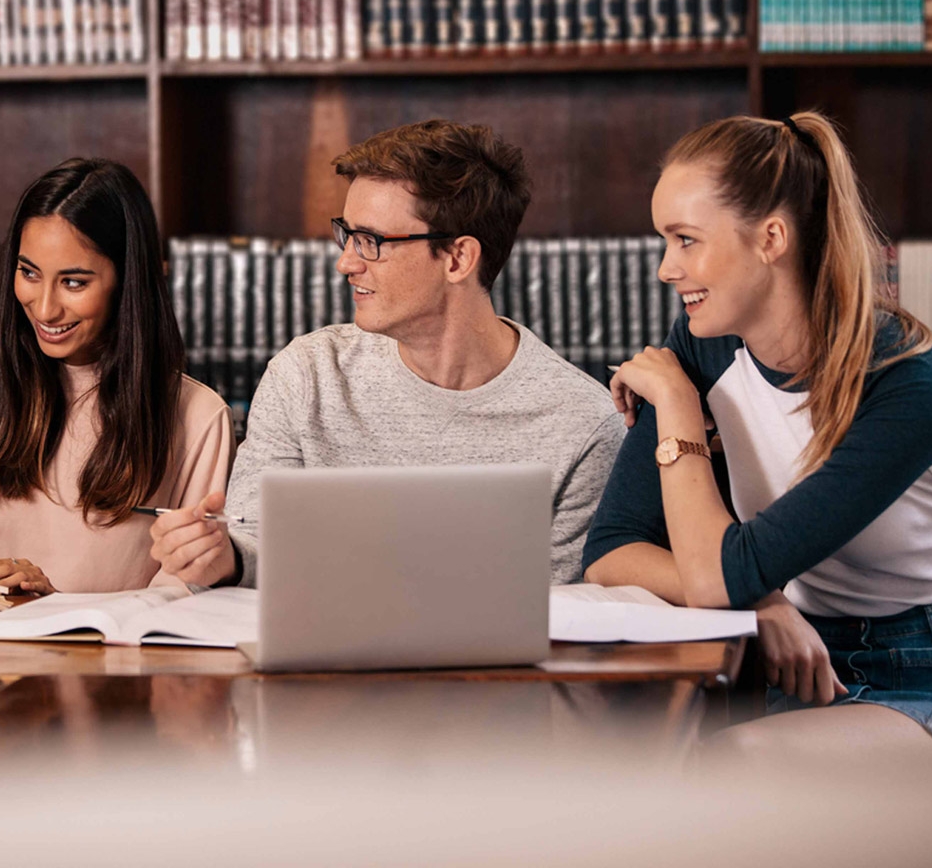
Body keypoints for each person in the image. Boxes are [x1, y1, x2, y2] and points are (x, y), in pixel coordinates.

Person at [582, 112, 932, 790]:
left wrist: (676, 405)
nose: (664, 268)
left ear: (771, 238)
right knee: (638, 757)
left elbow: (710, 579)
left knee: (720, 772)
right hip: (798, 654)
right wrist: (762, 600)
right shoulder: (705, 345)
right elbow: (612, 551)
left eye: (685, 240)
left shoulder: (910, 382)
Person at [149, 119, 626, 588]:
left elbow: (561, 611)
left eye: (371, 241)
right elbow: (252, 543)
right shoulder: (306, 375)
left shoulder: (583, 422)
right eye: (347, 234)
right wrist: (221, 556)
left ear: (458, 259)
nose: (345, 262)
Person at [0, 158, 232, 594]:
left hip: (104, 660)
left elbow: (185, 600)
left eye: (74, 282)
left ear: (128, 281)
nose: (45, 308)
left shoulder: (198, 417)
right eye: (29, 273)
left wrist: (53, 607)